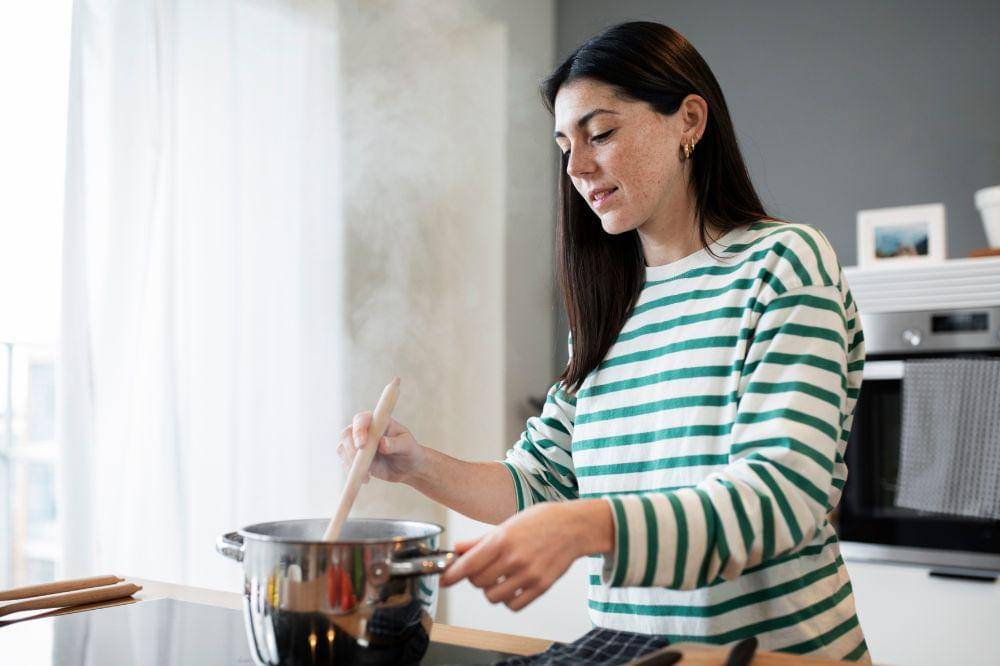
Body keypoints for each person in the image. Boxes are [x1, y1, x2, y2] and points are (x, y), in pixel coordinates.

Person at [337, 21, 868, 662]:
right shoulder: (607, 310)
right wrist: (417, 465)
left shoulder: (783, 263)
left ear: (688, 122)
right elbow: (539, 483)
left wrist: (589, 524)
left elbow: (780, 496)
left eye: (602, 133)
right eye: (565, 145)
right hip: (637, 655)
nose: (577, 166)